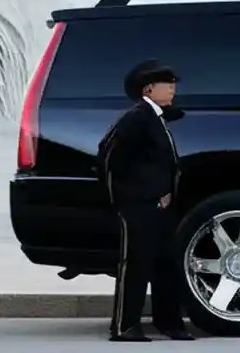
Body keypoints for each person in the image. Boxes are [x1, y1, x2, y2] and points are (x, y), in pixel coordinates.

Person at [101, 59, 195, 342]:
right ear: (149, 89)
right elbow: (109, 158)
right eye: (168, 85)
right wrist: (130, 198)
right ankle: (125, 326)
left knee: (166, 263)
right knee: (136, 264)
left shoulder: (158, 118)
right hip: (139, 207)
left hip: (161, 207)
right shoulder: (136, 118)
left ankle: (169, 323)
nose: (173, 89)